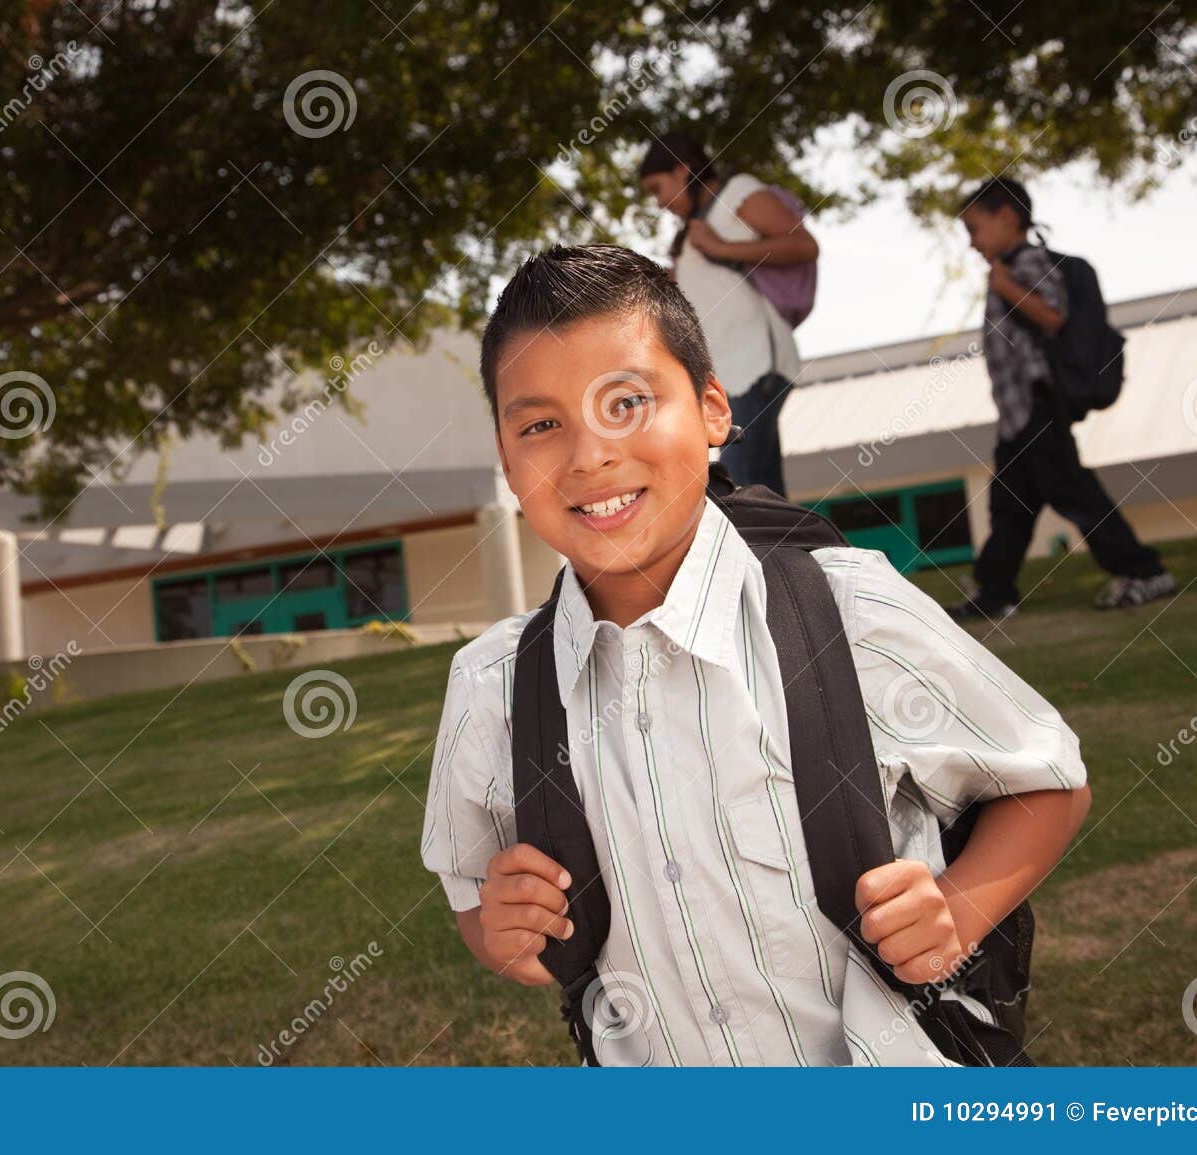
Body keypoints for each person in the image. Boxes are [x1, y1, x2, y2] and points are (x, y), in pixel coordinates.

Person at [420, 244, 1092, 1065]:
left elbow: (1047, 780)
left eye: (627, 401)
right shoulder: (492, 688)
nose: (589, 454)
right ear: (504, 456)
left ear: (712, 410)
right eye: (540, 424)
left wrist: (956, 907)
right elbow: (474, 895)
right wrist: (503, 932)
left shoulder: (847, 608)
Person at [946, 178, 1174, 622]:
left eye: (975, 229)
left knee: (1072, 491)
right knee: (1010, 504)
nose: (972, 243)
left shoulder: (1026, 262)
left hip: (1038, 406)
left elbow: (1053, 316)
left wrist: (1006, 286)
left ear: (1007, 218)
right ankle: (994, 592)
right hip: (1018, 416)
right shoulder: (1009, 267)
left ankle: (1142, 571)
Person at [637, 133, 816, 496]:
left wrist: (720, 247)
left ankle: (780, 553)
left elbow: (803, 245)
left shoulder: (738, 194)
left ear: (683, 171)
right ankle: (796, 552)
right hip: (730, 377)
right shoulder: (692, 231)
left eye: (658, 188)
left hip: (756, 367)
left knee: (742, 493)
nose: (659, 202)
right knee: (763, 494)